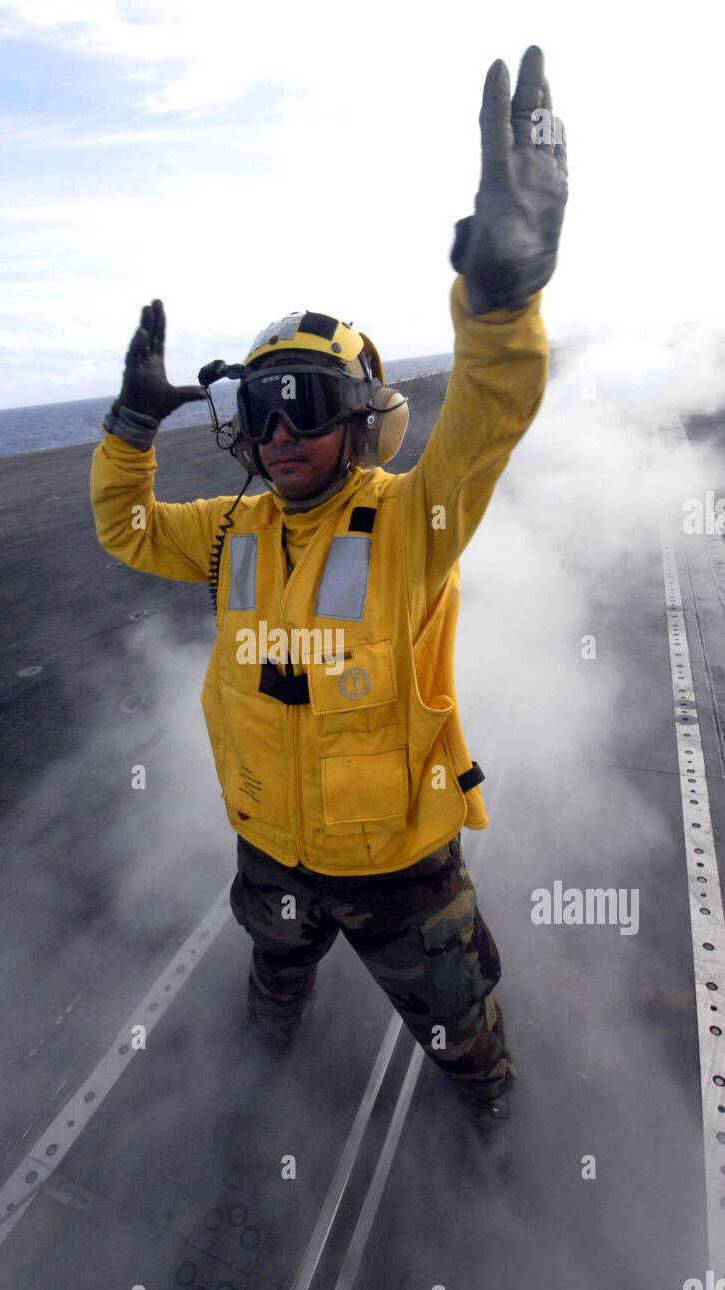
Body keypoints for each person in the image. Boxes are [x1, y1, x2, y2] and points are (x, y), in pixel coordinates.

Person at [90, 46, 568, 1181]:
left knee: (459, 1029)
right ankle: (266, 1054)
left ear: (358, 419)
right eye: (262, 407)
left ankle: (496, 1126)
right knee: (274, 974)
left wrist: (500, 303)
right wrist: (127, 427)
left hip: (399, 865)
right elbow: (124, 528)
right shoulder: (230, 532)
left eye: (306, 402)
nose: (282, 428)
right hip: (273, 849)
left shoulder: (411, 522)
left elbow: (490, 417)